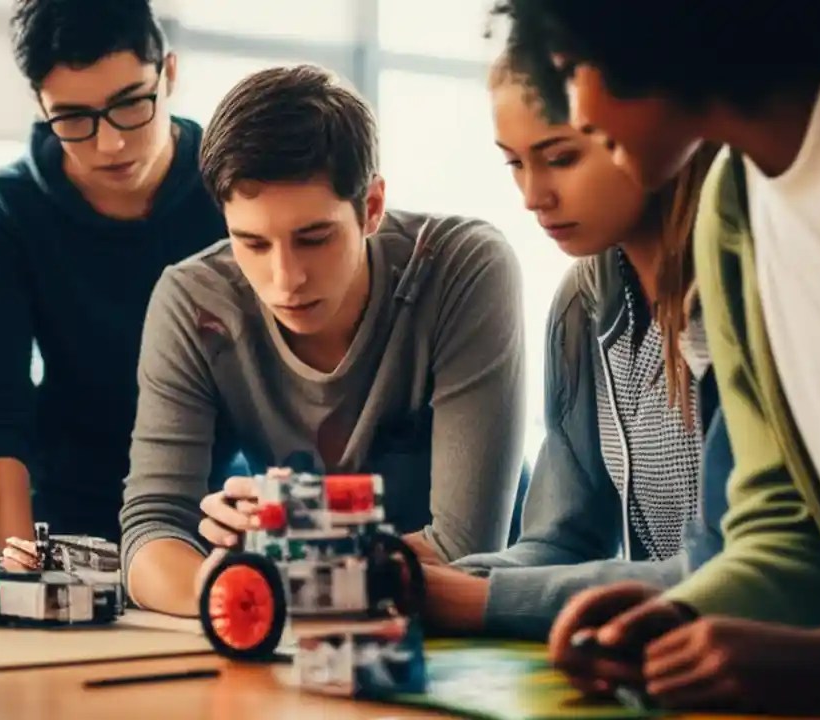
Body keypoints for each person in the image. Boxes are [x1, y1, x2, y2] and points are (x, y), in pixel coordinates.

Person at [499, 0, 820, 712]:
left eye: (568, 68)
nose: (572, 106)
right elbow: (784, 521)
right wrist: (689, 615)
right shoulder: (734, 208)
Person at [120, 65, 528, 616]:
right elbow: (150, 533)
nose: (285, 280)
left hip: (481, 625)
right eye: (252, 243)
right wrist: (235, 591)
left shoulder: (462, 269)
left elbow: (464, 550)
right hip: (310, 634)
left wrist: (275, 563)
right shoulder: (193, 300)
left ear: (373, 208)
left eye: (314, 239)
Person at [420, 52, 728, 639]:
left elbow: (732, 571)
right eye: (514, 163)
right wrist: (429, 578)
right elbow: (561, 539)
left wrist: (468, 598)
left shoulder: (735, 300)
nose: (532, 196)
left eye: (560, 158)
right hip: (653, 657)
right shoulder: (581, 304)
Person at [0, 0, 234, 560]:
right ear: (39, 103)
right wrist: (20, 558)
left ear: (171, 74)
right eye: (73, 118)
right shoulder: (6, 211)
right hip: (69, 523)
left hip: (218, 513)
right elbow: (0, 400)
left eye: (131, 103)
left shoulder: (232, 187)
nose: (109, 143)